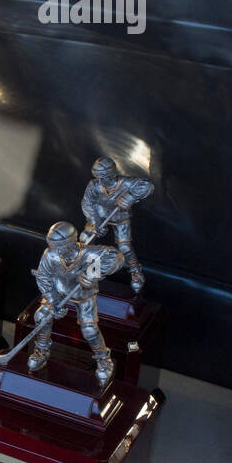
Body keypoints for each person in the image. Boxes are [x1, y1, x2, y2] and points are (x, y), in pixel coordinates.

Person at [28, 221, 124, 385]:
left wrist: (93, 275)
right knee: (42, 316)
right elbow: (43, 277)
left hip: (84, 295)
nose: (55, 251)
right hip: (58, 293)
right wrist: (53, 300)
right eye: (52, 246)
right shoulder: (50, 255)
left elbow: (117, 258)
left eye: (59, 247)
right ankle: (42, 350)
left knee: (89, 330)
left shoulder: (89, 254)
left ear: (71, 244)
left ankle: (103, 360)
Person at [81, 156, 154, 294]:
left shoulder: (125, 183)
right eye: (98, 177)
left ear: (112, 174)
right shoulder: (94, 185)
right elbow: (87, 202)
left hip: (120, 218)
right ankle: (92, 272)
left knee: (125, 247)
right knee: (87, 241)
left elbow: (148, 186)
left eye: (103, 177)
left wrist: (130, 197)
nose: (100, 180)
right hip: (99, 217)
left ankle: (135, 271)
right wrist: (94, 222)